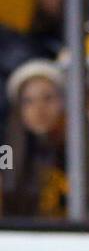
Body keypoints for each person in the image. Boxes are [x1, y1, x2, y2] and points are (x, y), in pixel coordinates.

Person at [0, 58, 67, 217]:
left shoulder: (79, 146)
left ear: (64, 102)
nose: (39, 109)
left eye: (48, 98)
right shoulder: (6, 149)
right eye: (28, 101)